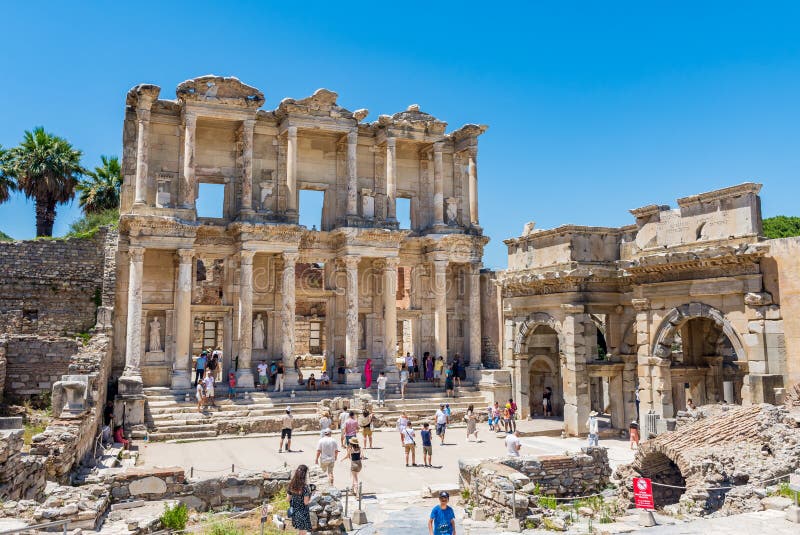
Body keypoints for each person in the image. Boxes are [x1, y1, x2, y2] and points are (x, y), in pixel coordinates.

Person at [287, 464, 313, 535]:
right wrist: (312, 496)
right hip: (303, 513)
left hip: (294, 512)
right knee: (302, 533)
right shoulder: (305, 488)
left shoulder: (291, 485)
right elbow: (306, 502)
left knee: (300, 532)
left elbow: (288, 499)